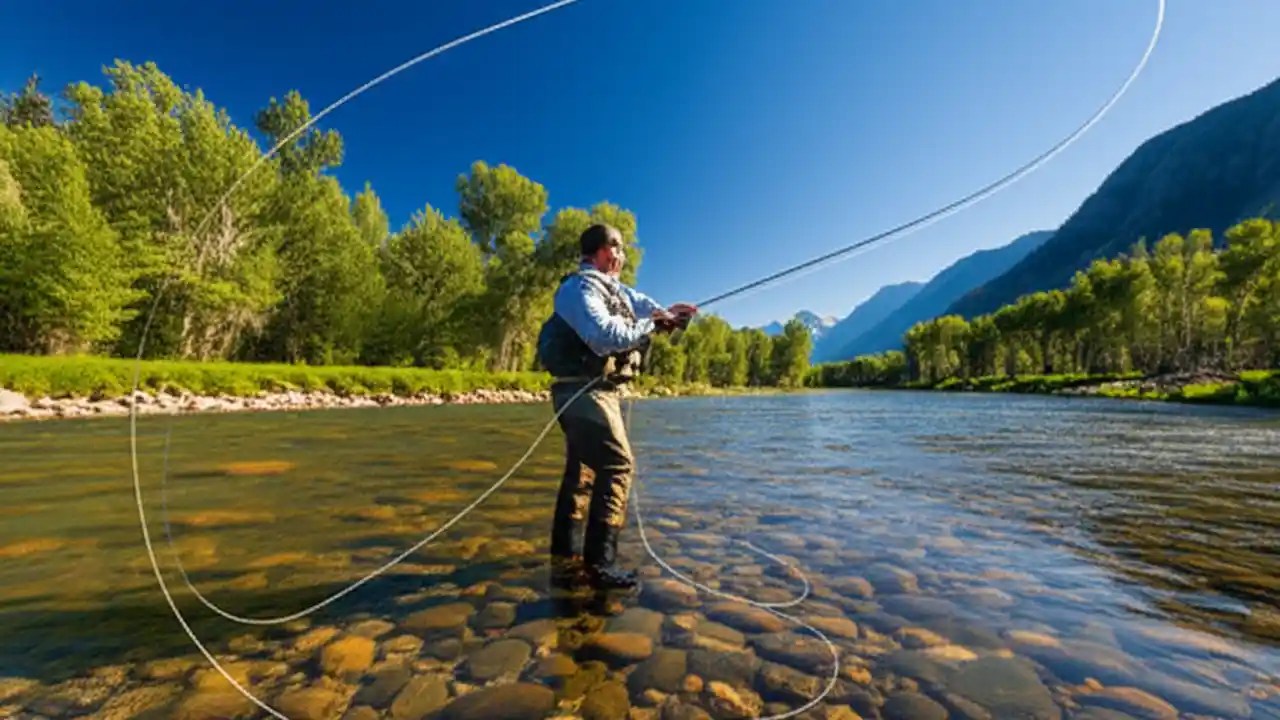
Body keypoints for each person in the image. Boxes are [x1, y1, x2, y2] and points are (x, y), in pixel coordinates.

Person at [536, 223, 696, 590]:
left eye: (623, 249)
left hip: (600, 392)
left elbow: (645, 307)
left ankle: (566, 556)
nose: (621, 255)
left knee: (584, 474)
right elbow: (603, 335)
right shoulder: (577, 289)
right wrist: (652, 326)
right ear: (594, 253)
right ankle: (600, 566)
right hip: (582, 393)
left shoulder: (617, 291)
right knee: (618, 465)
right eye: (615, 248)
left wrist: (667, 316)